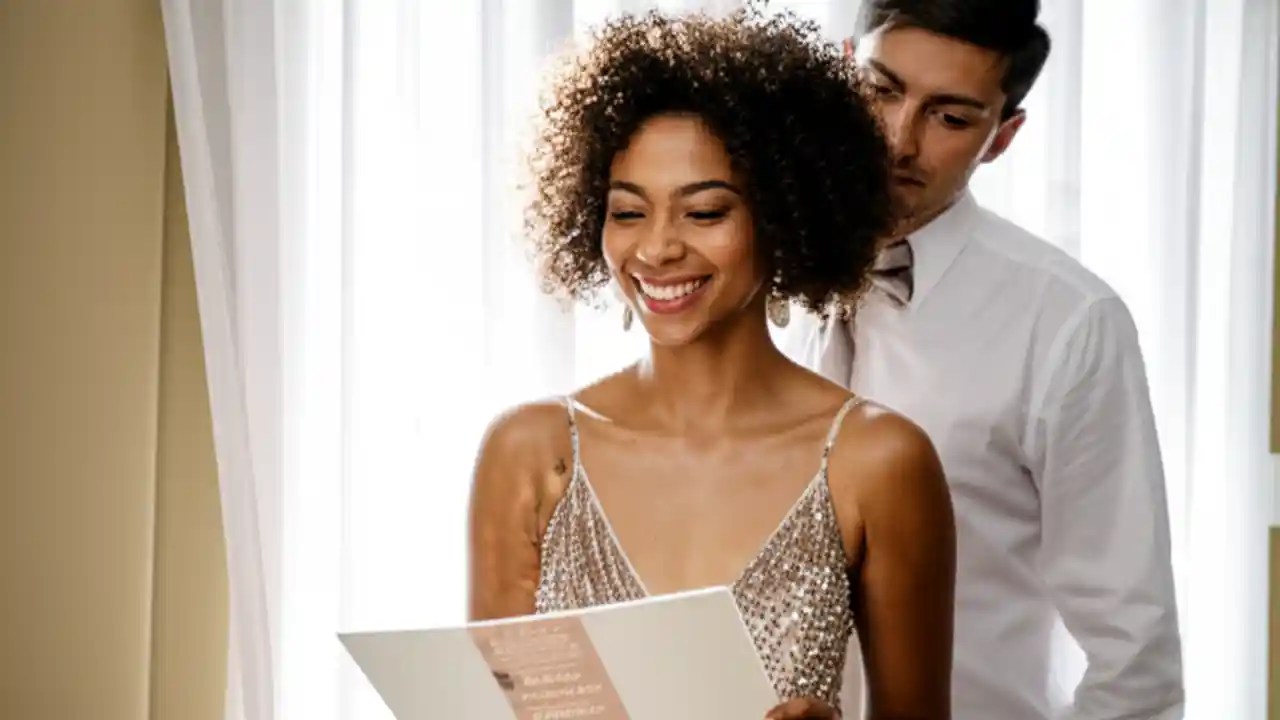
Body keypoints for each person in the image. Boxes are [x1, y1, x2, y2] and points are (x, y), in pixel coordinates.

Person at [468, 9, 955, 720]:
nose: (658, 249)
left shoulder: (878, 461)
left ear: (786, 216)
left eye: (704, 213)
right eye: (629, 213)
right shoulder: (532, 454)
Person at [781, 1, 1184, 718]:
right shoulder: (742, 269)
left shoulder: (1067, 321)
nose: (900, 141)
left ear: (1002, 137)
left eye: (951, 117)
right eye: (882, 90)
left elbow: (1134, 651)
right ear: (845, 70)